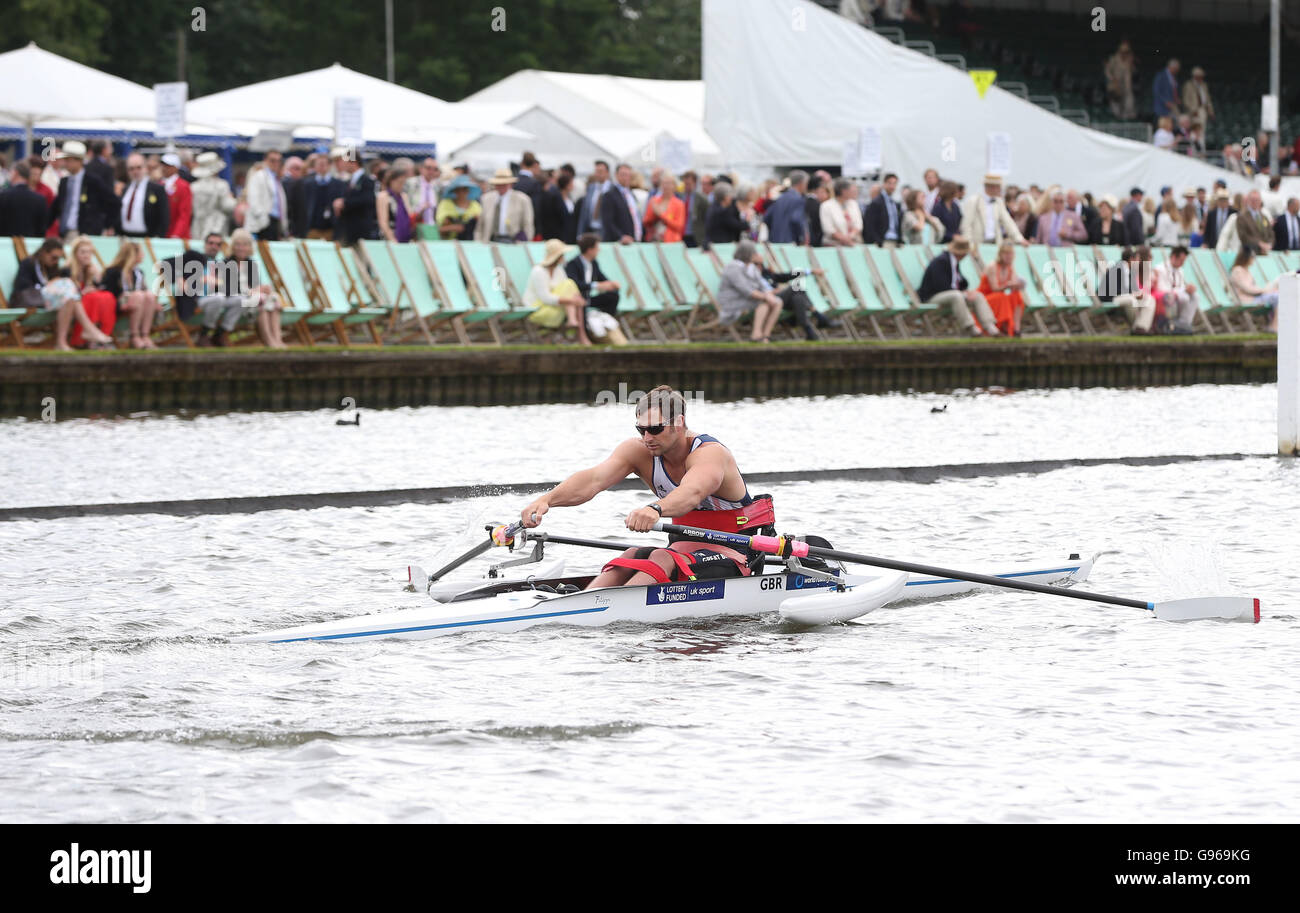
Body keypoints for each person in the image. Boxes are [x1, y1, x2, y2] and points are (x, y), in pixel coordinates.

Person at [519, 385, 776, 590]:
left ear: (679, 422)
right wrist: (547, 500)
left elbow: (691, 493)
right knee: (633, 554)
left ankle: (613, 607)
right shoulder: (639, 451)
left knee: (662, 558)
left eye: (655, 429)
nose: (647, 438)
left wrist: (654, 508)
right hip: (683, 549)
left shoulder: (710, 454)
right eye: (641, 429)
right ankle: (586, 602)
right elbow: (594, 479)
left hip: (735, 553)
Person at [11, 239, 113, 351]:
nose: (56, 261)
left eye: (59, 258)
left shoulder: (51, 266)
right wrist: (47, 285)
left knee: (69, 295)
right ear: (44, 252)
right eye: (54, 257)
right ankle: (86, 330)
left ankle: (65, 340)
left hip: (48, 300)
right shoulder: (29, 263)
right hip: (27, 300)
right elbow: (22, 286)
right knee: (68, 286)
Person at [917, 236, 1000, 337]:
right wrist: (963, 293)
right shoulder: (941, 261)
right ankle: (970, 327)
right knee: (957, 296)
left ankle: (990, 326)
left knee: (977, 296)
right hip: (932, 296)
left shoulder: (953, 262)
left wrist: (967, 292)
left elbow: (961, 282)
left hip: (950, 294)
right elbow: (941, 286)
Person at [564, 233, 628, 346]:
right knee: (581, 303)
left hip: (588, 300)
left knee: (613, 296)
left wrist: (611, 284)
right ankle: (585, 334)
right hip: (577, 301)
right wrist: (597, 285)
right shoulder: (573, 264)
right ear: (590, 250)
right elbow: (575, 284)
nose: (599, 251)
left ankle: (606, 320)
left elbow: (603, 279)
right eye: (597, 248)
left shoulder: (593, 263)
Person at [716, 240, 784, 343]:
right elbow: (746, 291)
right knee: (764, 302)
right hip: (732, 302)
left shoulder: (752, 268)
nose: (757, 254)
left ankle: (766, 336)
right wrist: (766, 297)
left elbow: (762, 285)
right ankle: (756, 334)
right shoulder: (733, 268)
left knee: (777, 302)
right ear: (748, 254)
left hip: (747, 300)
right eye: (754, 252)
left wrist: (768, 294)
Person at [525, 238, 589, 344]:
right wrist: (572, 301)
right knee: (571, 289)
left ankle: (575, 326)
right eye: (562, 254)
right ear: (557, 256)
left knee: (570, 287)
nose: (564, 257)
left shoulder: (558, 270)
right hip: (538, 310)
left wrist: (574, 301)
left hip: (555, 308)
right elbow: (545, 298)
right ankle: (579, 333)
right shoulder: (538, 271)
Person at [50, 141, 120, 238]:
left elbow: (114, 202)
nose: (64, 163)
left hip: (85, 234)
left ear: (78, 161)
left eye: (67, 160)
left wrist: (105, 225)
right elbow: (57, 207)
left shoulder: (93, 181)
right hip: (65, 232)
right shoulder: (64, 182)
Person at [102, 240, 161, 348]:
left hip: (138, 303)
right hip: (117, 305)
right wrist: (125, 298)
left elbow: (144, 290)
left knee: (149, 295)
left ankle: (145, 335)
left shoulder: (138, 272)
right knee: (138, 295)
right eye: (141, 252)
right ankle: (134, 336)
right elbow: (107, 293)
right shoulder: (113, 271)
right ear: (132, 254)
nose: (143, 255)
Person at [67, 236, 118, 348]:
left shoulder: (89, 269)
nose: (87, 255)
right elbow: (67, 292)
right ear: (75, 253)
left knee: (108, 296)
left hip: (88, 301)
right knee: (93, 298)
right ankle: (89, 336)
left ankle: (102, 334)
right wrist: (84, 291)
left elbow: (102, 287)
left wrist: (97, 276)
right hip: (73, 303)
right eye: (83, 252)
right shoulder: (68, 269)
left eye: (89, 252)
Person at [960, 174, 1027, 246]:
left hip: (995, 244)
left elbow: (1008, 222)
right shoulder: (973, 201)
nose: (1000, 189)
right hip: (977, 244)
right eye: (999, 187)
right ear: (991, 187)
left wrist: (1019, 239)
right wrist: (969, 244)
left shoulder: (999, 202)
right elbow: (966, 225)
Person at [977, 241, 1027, 336]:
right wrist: (1008, 285)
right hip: (985, 298)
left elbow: (1013, 285)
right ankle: (1005, 326)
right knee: (1002, 297)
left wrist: (1017, 285)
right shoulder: (993, 267)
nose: (1009, 256)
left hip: (998, 296)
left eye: (1011, 253)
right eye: (1006, 253)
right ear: (1000, 254)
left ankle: (1016, 329)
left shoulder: (1010, 267)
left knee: (1017, 296)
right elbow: (994, 288)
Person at [476, 167, 534, 243]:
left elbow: (528, 224)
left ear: (510, 184)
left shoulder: (523, 199)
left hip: (513, 242)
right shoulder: (486, 199)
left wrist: (525, 241)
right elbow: (480, 225)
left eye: (504, 184)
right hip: (490, 241)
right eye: (498, 184)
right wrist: (478, 241)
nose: (501, 186)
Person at [1229, 246, 1280, 332]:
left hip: (1254, 297)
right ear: (1246, 258)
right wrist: (1265, 290)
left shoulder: (1247, 271)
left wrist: (1267, 290)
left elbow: (1253, 288)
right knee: (1277, 297)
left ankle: (1275, 325)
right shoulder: (1237, 271)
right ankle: (1274, 326)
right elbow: (1248, 289)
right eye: (1252, 257)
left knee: (1278, 294)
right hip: (1246, 300)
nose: (1254, 259)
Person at [118, 153, 169, 238]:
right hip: (126, 236)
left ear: (145, 168)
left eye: (139, 167)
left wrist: (159, 236)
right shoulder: (125, 189)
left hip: (148, 237)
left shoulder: (157, 189)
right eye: (131, 169)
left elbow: (164, 216)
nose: (135, 172)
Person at [1152, 245, 1200, 334]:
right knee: (1184, 297)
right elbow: (1160, 289)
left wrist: (1188, 289)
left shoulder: (1180, 270)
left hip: (1176, 296)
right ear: (1173, 257)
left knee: (1195, 296)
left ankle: (1185, 324)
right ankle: (1181, 325)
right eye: (1181, 261)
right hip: (1164, 297)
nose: (1182, 263)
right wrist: (1183, 290)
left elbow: (1180, 286)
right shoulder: (1160, 268)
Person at [190, 152, 236, 240]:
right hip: (216, 226)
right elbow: (227, 206)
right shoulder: (221, 185)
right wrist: (235, 200)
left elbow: (190, 210)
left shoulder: (193, 187)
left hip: (197, 226)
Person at [244, 149, 288, 240]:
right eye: (272, 160)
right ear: (265, 160)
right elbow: (253, 200)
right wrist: (262, 218)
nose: (276, 163)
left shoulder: (276, 178)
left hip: (275, 222)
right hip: (263, 224)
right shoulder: (258, 176)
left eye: (278, 161)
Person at [0, 160, 49, 237]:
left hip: (5, 244)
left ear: (15, 173)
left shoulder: (3, 196)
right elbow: (42, 229)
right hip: (30, 245)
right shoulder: (40, 199)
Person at [763, 171, 810, 244]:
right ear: (801, 183)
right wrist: (802, 237)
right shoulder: (798, 199)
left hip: (775, 241)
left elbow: (766, 217)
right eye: (806, 184)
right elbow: (796, 219)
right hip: (791, 242)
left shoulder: (780, 198)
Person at [435, 175, 482, 240]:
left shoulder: (475, 205)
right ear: (455, 191)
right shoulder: (445, 204)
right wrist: (453, 227)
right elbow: (438, 228)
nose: (462, 192)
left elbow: (481, 224)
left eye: (465, 189)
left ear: (468, 191)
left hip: (470, 243)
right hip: (448, 242)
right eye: (459, 190)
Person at [644, 172, 686, 243]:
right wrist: (654, 215)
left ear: (674, 186)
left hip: (671, 241)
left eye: (669, 183)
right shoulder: (654, 200)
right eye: (664, 183)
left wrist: (661, 214)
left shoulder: (679, 204)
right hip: (654, 240)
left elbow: (679, 226)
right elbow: (646, 222)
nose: (666, 186)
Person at [376, 164, 414, 243]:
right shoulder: (383, 196)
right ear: (391, 181)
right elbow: (383, 222)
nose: (401, 185)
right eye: (399, 182)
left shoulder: (403, 196)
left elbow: (409, 215)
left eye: (403, 183)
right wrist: (392, 240)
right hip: (390, 239)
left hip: (405, 237)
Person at [539, 172, 578, 243]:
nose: (573, 185)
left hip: (569, 234)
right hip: (557, 235)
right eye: (571, 183)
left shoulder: (570, 197)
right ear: (566, 185)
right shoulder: (554, 197)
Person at [160, 153, 192, 240]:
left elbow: (184, 214)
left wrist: (176, 234)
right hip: (163, 235)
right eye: (163, 165)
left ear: (175, 168)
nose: (164, 168)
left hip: (178, 237)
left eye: (168, 166)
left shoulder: (183, 186)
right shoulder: (159, 184)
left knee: (178, 254)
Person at [1104, 40, 1137, 120]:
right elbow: (1107, 71)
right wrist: (1112, 79)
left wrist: (1132, 63)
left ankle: (1126, 118)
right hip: (1115, 86)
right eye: (1123, 51)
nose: (1125, 53)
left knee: (1129, 103)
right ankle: (1116, 119)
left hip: (1126, 86)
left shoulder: (1129, 60)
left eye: (1127, 52)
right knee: (1116, 105)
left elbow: (1133, 71)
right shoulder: (1114, 59)